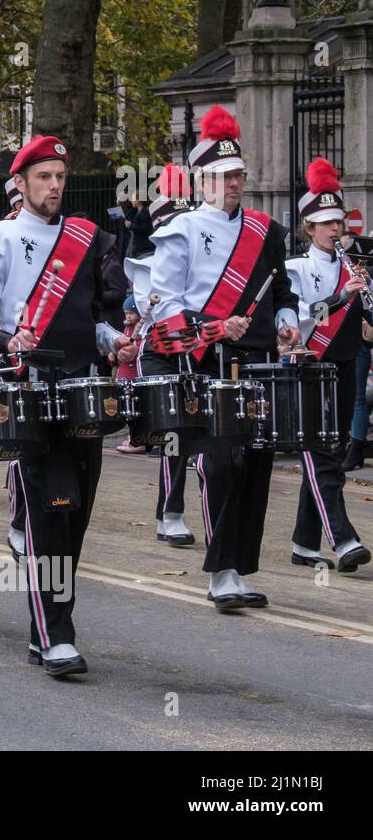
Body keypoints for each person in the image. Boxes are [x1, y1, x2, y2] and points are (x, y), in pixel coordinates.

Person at [0, 133, 136, 676]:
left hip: (84, 390)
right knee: (48, 512)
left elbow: (95, 318)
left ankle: (46, 628)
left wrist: (114, 342)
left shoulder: (89, 238)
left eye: (59, 177)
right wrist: (8, 340)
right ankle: (58, 634)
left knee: (76, 514)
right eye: (43, 178)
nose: (54, 186)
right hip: (30, 392)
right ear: (21, 183)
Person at [144, 106, 299, 612]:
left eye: (238, 175)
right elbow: (163, 304)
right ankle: (220, 573)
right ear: (203, 179)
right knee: (223, 462)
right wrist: (211, 327)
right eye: (223, 176)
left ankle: (236, 568)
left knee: (254, 465)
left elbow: (284, 292)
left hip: (256, 362)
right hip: (207, 362)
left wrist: (285, 322)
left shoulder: (267, 231)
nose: (233, 184)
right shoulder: (181, 230)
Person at [284, 158, 371, 573]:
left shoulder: (356, 266)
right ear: (309, 226)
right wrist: (341, 298)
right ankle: (343, 538)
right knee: (322, 456)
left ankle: (304, 542)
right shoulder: (296, 268)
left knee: (328, 451)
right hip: (312, 367)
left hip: (347, 362)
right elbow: (299, 318)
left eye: (339, 221)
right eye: (327, 223)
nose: (336, 229)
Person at [121, 163, 196, 545]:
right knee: (173, 437)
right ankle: (170, 511)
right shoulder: (143, 263)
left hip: (200, 349)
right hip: (160, 351)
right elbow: (150, 307)